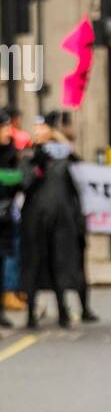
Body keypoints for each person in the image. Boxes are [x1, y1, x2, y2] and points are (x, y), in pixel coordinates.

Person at [20, 114, 98, 329]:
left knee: (60, 265)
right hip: (35, 221)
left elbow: (81, 176)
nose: (39, 132)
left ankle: (64, 309)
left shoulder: (65, 159)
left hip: (61, 222)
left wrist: (64, 144)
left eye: (43, 128)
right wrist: (37, 168)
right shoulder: (29, 158)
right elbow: (24, 184)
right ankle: (30, 313)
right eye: (35, 129)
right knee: (34, 265)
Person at [0, 109, 22, 328]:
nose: (8, 131)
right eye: (5, 127)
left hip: (7, 215)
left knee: (5, 260)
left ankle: (3, 306)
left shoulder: (12, 152)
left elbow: (19, 179)